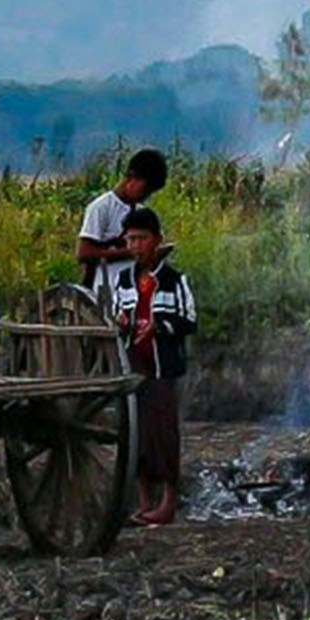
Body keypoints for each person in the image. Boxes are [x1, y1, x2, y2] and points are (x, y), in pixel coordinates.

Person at [89, 202, 198, 525]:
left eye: (141, 238)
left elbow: (189, 319)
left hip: (162, 368)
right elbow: (120, 318)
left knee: (163, 432)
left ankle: (167, 501)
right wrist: (122, 322)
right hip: (134, 365)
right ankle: (144, 500)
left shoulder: (175, 281)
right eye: (130, 239)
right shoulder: (124, 280)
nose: (135, 246)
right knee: (136, 432)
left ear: (157, 239)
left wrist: (160, 326)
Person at [77, 147, 171, 270]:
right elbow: (84, 253)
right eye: (146, 190)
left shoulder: (139, 211)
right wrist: (131, 252)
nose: (146, 196)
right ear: (132, 177)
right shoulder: (102, 207)